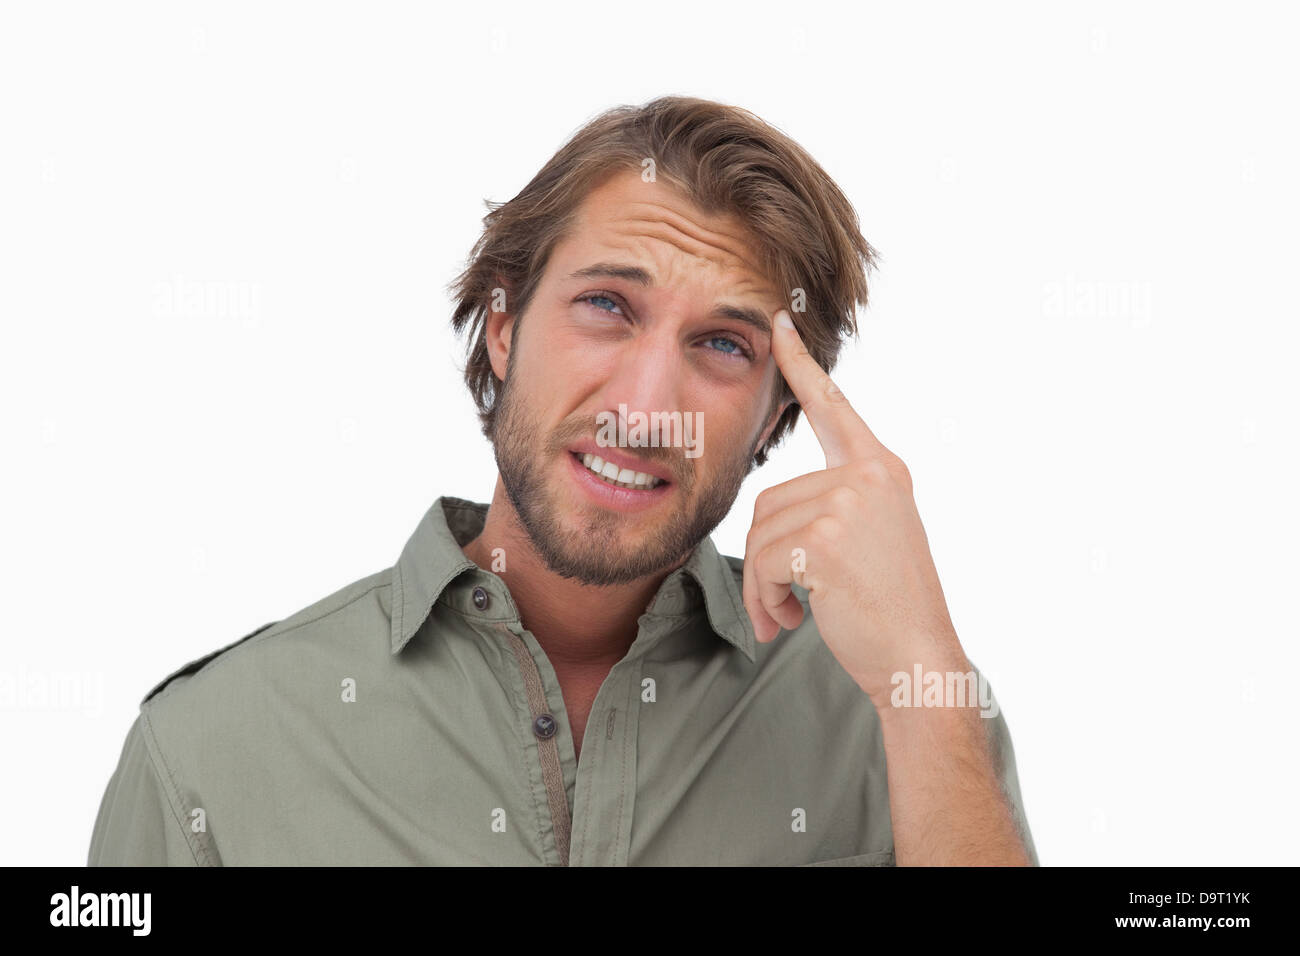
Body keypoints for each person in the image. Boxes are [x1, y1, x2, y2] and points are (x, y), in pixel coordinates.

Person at [89, 95, 1037, 866]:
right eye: (606, 306)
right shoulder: (208, 749)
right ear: (501, 327)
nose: (644, 403)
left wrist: (928, 677)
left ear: (778, 415)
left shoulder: (908, 719)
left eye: (721, 344)